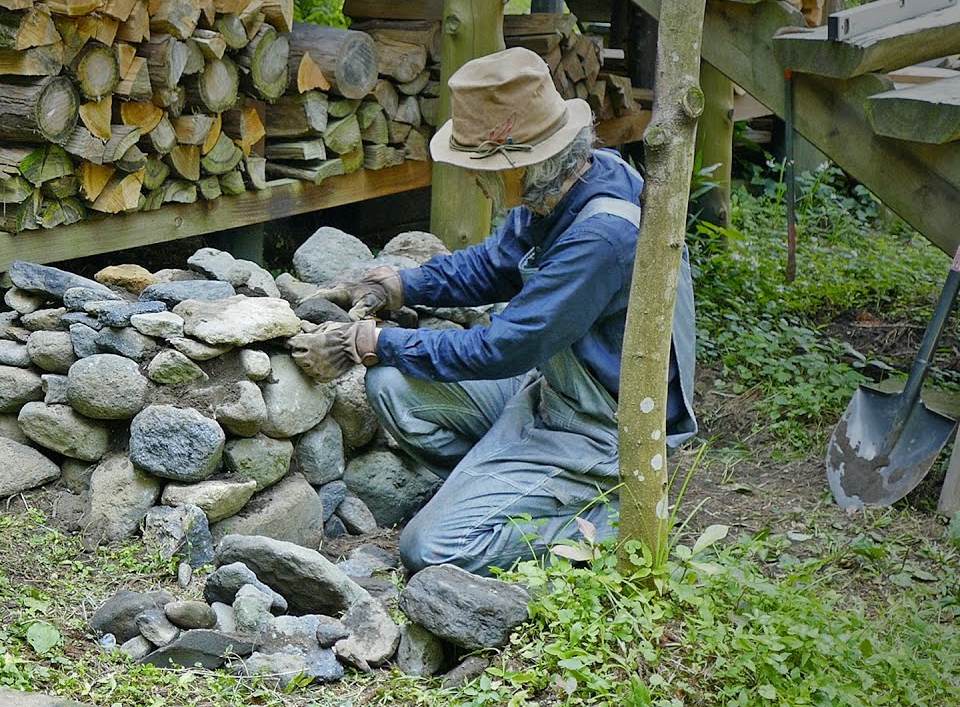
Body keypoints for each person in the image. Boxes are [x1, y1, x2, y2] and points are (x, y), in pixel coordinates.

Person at [287, 48, 698, 575]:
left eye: (482, 170)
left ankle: (616, 523)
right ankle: (499, 489)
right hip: (551, 392)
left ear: (524, 164)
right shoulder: (566, 182)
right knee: (391, 388)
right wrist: (399, 285)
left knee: (428, 550)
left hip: (599, 430)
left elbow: (503, 346)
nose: (476, 182)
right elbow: (494, 264)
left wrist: (374, 342)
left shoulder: (601, 236)